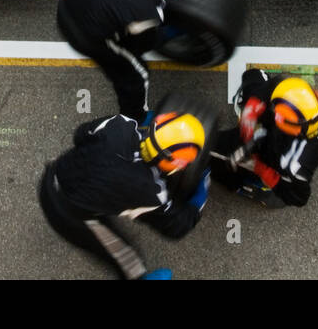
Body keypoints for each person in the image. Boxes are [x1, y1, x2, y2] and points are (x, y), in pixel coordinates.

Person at [39, 107, 211, 279]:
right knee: (123, 255)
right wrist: (198, 201)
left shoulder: (119, 123)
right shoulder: (150, 192)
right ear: (176, 164)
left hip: (53, 174)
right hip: (65, 213)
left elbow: (80, 134)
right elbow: (175, 227)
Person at [57, 0, 202, 121]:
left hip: (73, 0)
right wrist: (167, 34)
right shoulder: (145, 11)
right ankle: (135, 118)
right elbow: (144, 43)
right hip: (84, 34)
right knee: (137, 74)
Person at [210, 70, 318, 206]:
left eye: (277, 113)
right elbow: (275, 86)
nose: (273, 111)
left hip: (271, 158)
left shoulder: (294, 166)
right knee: (253, 75)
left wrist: (264, 171)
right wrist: (253, 106)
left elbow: (299, 198)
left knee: (210, 151)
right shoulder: (309, 111)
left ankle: (252, 184)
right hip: (275, 134)